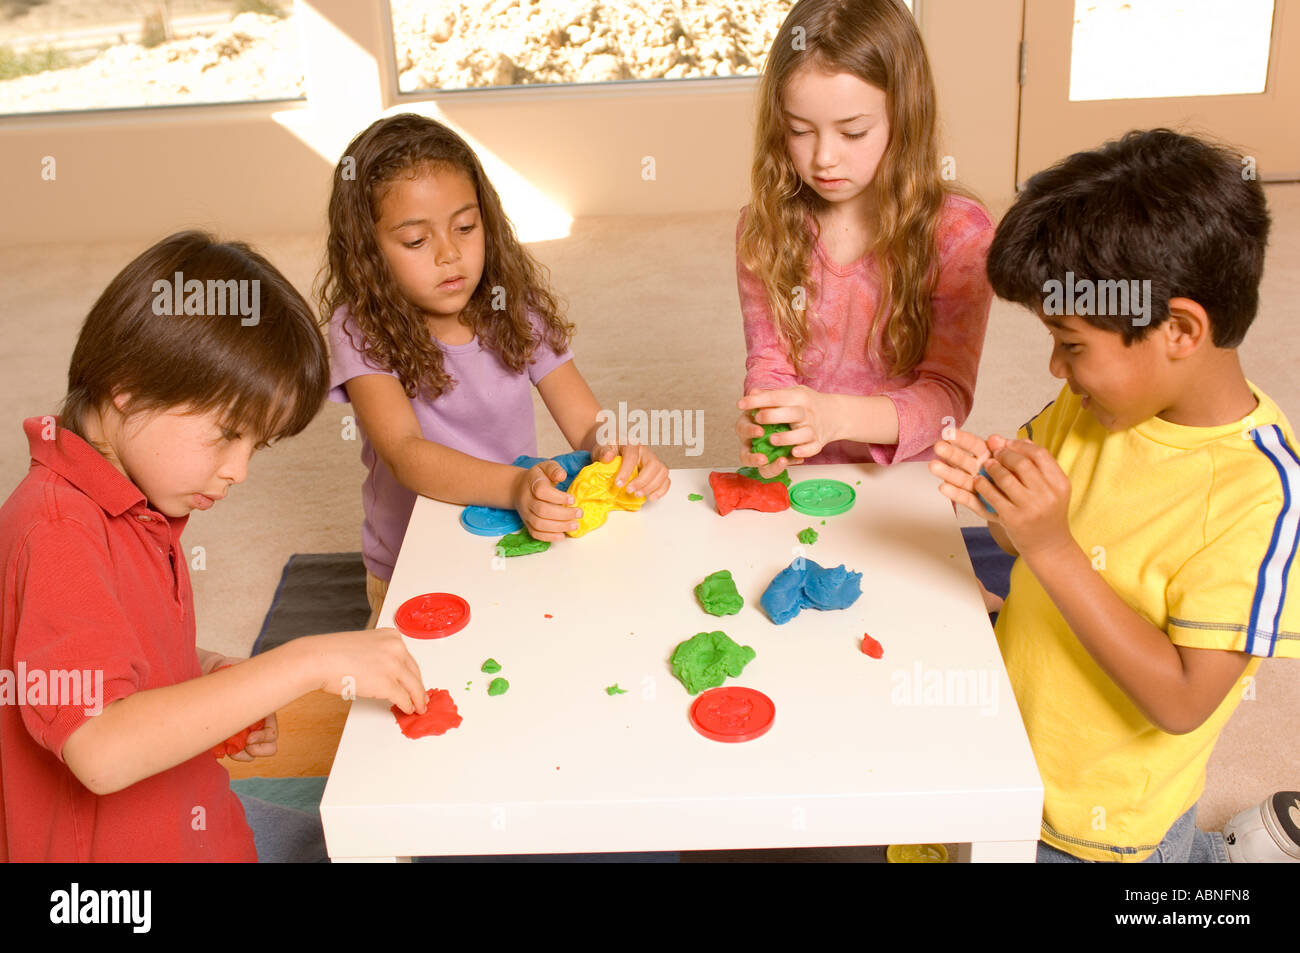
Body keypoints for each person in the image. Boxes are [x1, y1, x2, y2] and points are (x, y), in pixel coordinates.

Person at [0, 232, 428, 862]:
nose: (239, 471)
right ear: (129, 384)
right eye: (227, 435)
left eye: (257, 445)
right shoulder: (59, 531)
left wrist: (205, 678)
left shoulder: (130, 498)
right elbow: (98, 747)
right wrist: (299, 662)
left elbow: (108, 643)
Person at [931, 128, 1299, 862]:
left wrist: (1052, 546)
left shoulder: (1260, 495)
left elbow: (1181, 701)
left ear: (1180, 329)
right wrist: (1000, 500)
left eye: (1071, 344)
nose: (1054, 366)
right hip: (1009, 759)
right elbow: (1023, 536)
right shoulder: (1095, 404)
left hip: (1100, 834)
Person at [319, 114, 670, 625]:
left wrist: (621, 450)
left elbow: (587, 422)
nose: (450, 253)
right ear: (367, 253)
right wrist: (514, 486)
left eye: (465, 227)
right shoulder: (360, 329)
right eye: (416, 241)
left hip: (517, 528)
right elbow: (405, 454)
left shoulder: (514, 306)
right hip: (415, 558)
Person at [734, 0, 995, 474]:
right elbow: (768, 361)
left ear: (906, 117)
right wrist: (770, 420)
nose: (824, 158)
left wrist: (834, 416)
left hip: (908, 483)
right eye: (799, 130)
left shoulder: (959, 233)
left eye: (853, 132)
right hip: (804, 471)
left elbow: (948, 396)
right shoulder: (763, 226)